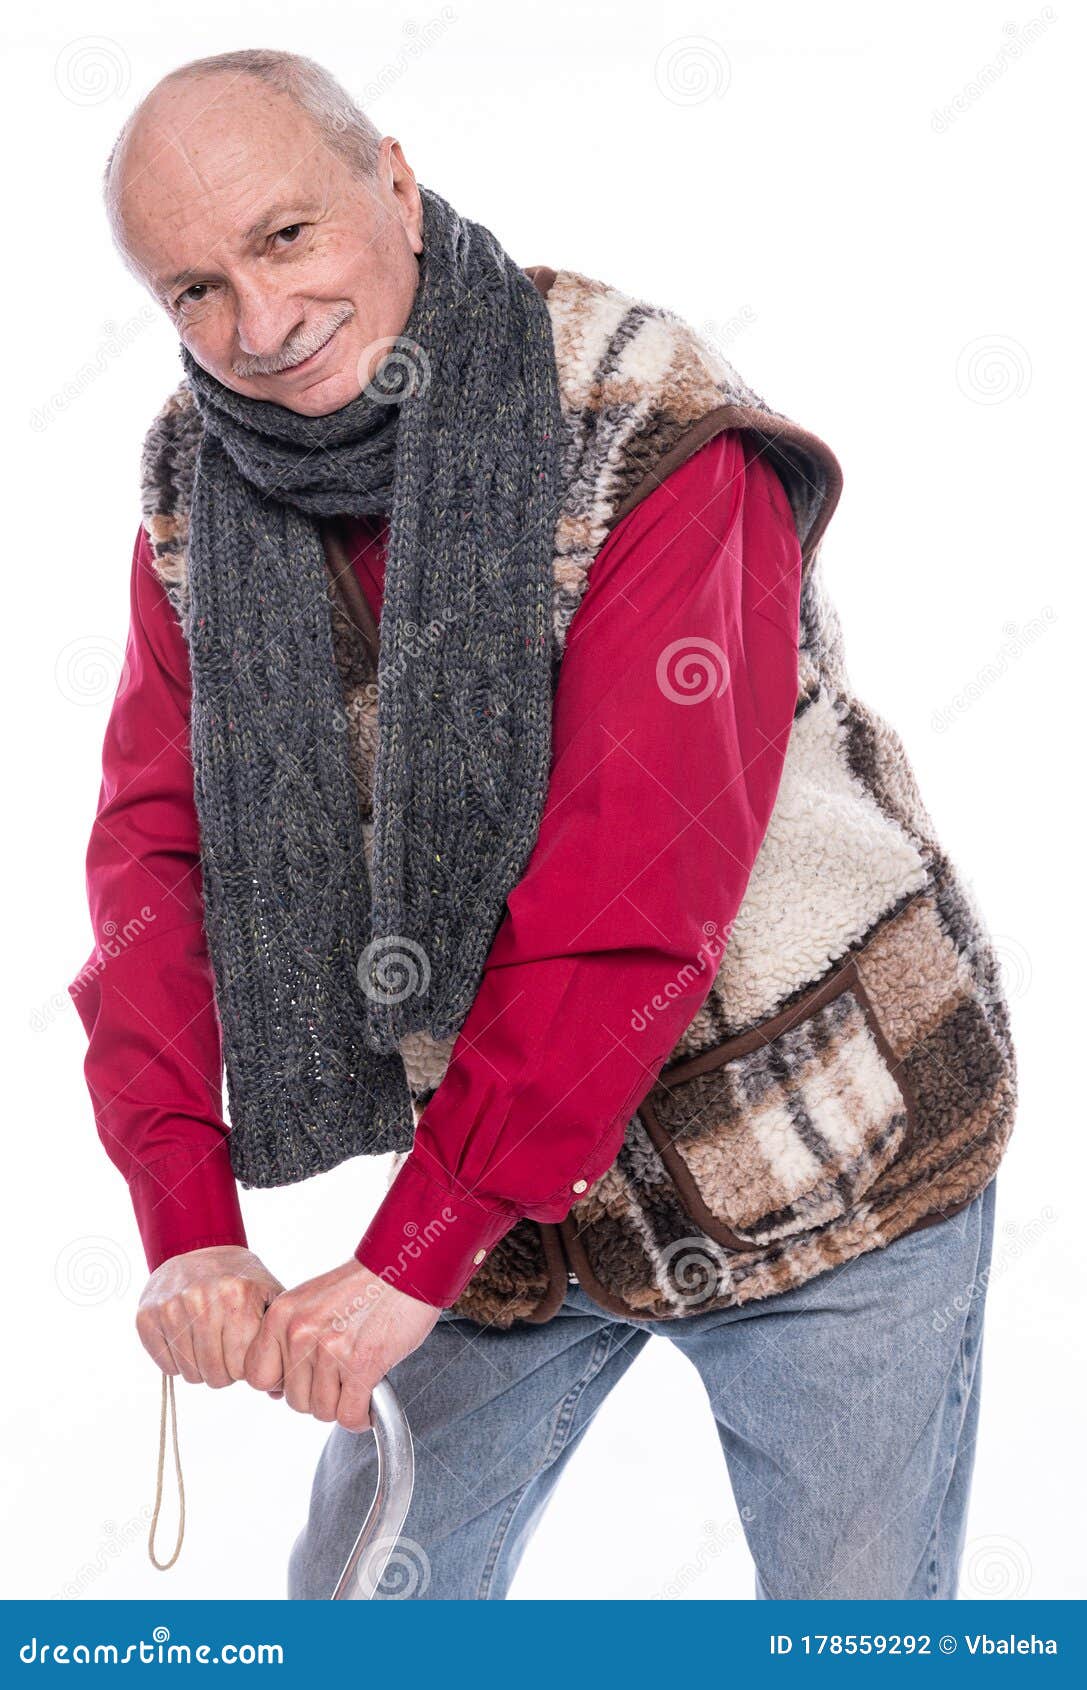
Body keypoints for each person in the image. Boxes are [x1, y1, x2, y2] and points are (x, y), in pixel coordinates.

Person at [70, 47, 1015, 1600]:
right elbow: (152, 856)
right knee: (359, 1612)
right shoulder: (198, 487)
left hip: (815, 1138)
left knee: (857, 1639)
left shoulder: (646, 428)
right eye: (193, 288)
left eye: (287, 237)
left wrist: (406, 1256)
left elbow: (625, 896)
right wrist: (187, 1212)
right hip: (508, 1182)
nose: (257, 327)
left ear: (392, 176)